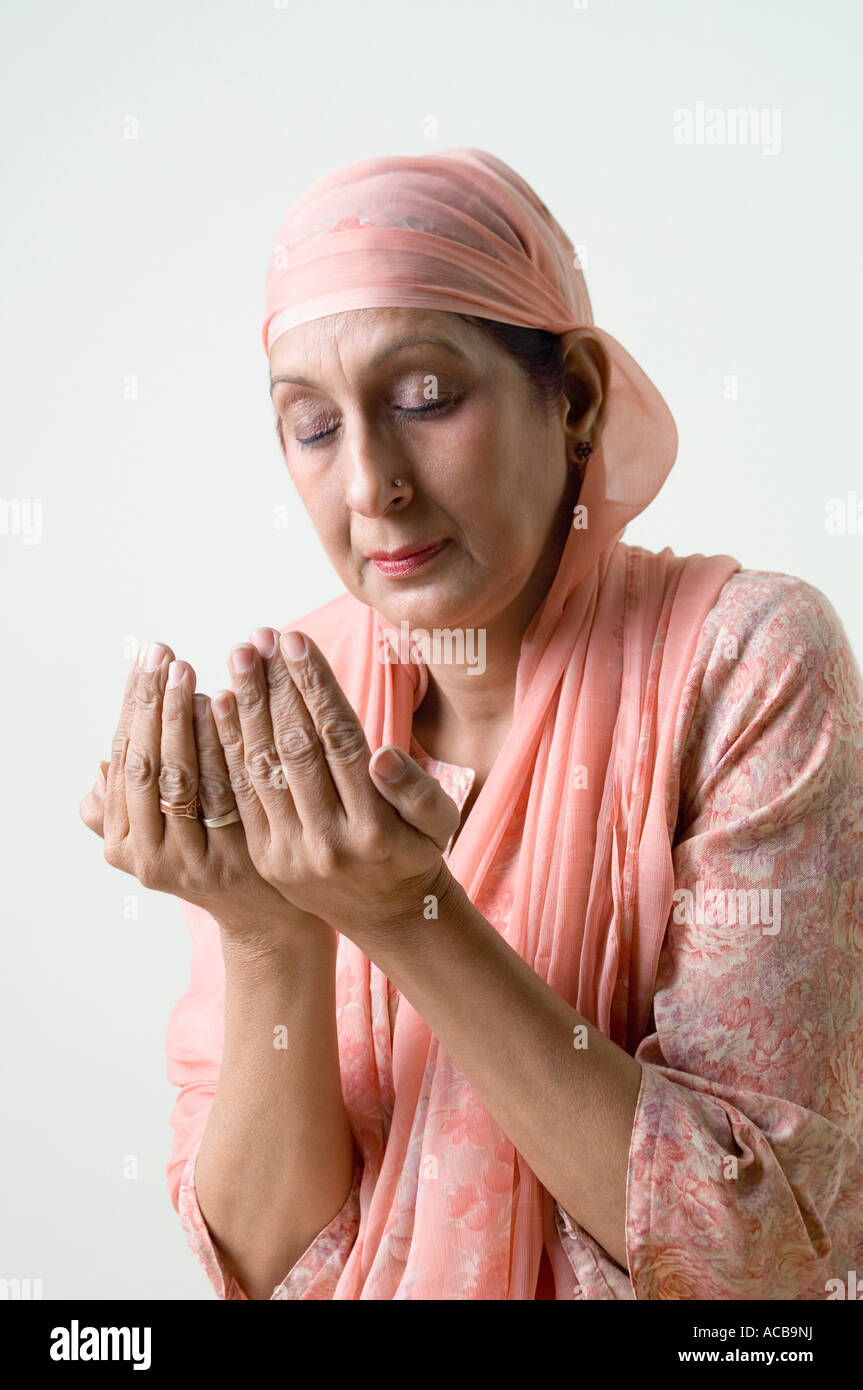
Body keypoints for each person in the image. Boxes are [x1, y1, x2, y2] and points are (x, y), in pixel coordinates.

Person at [80, 148, 863, 1300]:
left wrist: (413, 917)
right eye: (311, 425)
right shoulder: (298, 717)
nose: (370, 483)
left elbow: (759, 1259)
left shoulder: (743, 660)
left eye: (423, 398)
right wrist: (265, 937)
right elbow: (263, 1268)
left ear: (577, 397)